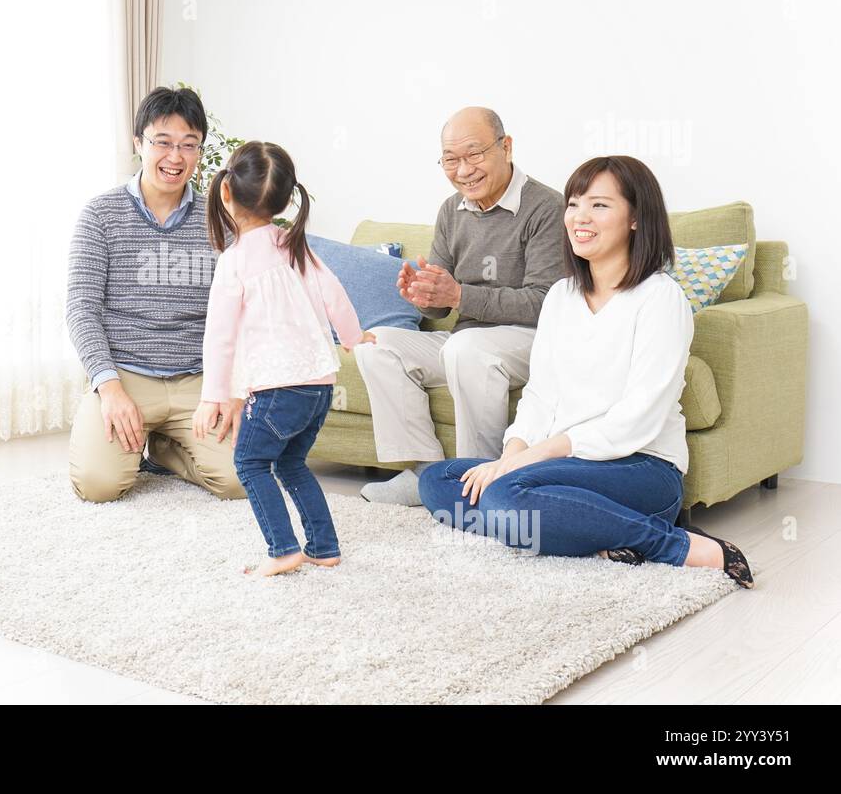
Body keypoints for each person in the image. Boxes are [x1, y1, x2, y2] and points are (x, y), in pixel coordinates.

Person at [417, 155, 754, 589]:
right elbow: (541, 395)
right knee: (438, 481)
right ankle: (594, 534)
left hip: (641, 468)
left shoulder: (660, 298)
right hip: (566, 467)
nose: (580, 217)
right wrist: (510, 454)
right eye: (574, 204)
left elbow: (639, 416)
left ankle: (674, 545)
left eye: (599, 205)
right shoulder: (561, 295)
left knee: (504, 496)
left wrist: (526, 461)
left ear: (636, 218)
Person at [359, 107, 565, 507]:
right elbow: (442, 307)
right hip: (466, 339)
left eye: (474, 154)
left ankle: (483, 476)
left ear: (506, 147)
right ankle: (425, 473)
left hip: (533, 339)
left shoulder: (546, 208)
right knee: (374, 343)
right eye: (451, 159)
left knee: (466, 348)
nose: (463, 170)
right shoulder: (451, 211)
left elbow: (545, 302)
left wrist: (458, 296)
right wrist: (425, 297)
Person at [193, 141, 374, 576]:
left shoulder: (234, 261)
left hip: (277, 386)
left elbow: (220, 336)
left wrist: (212, 396)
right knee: (291, 462)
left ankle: (283, 550)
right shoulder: (296, 245)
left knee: (250, 462)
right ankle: (324, 546)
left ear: (225, 193)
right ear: (286, 199)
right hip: (319, 384)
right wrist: (354, 338)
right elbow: (335, 293)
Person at [66, 86, 245, 503]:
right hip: (125, 376)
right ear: (138, 144)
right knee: (100, 486)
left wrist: (232, 391)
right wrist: (109, 389)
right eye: (162, 143)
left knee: (241, 481)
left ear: (199, 152)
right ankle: (126, 434)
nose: (175, 157)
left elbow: (242, 314)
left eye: (189, 145)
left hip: (199, 380)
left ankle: (164, 451)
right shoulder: (99, 215)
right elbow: (80, 310)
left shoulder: (221, 222)